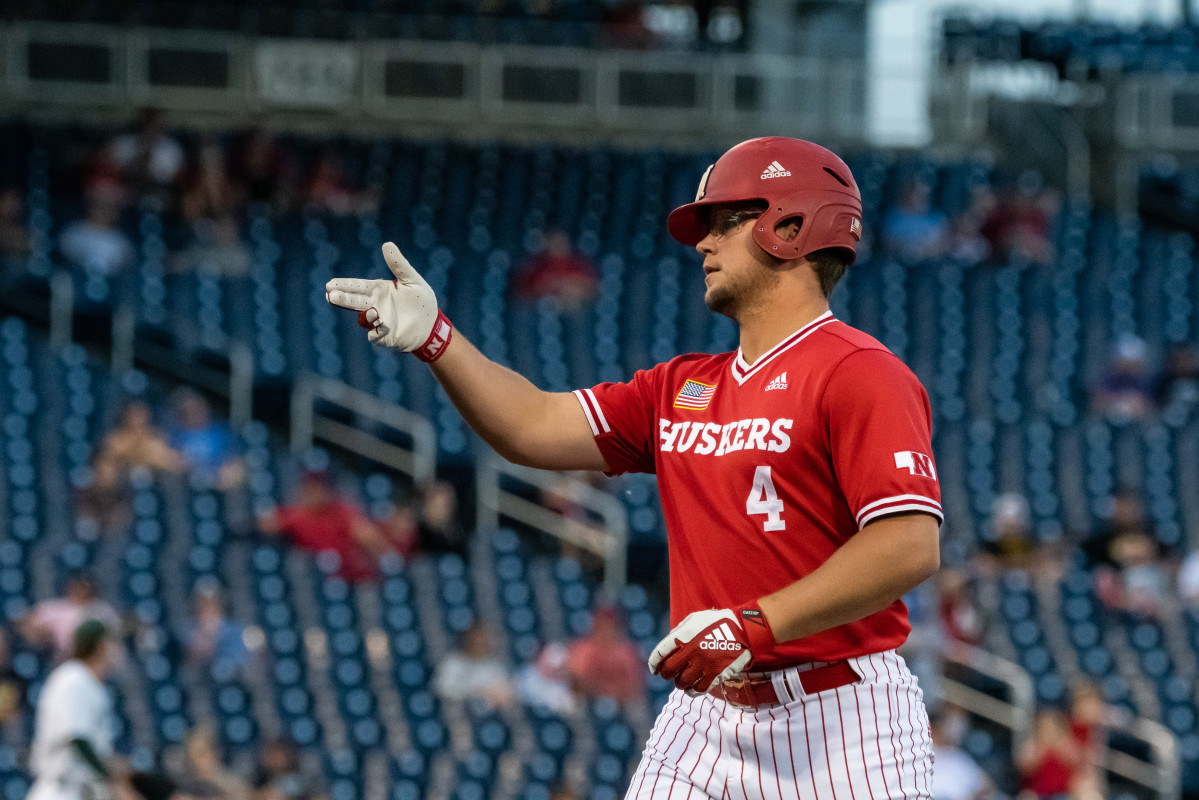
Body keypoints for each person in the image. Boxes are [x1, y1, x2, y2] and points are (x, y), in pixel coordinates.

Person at [327, 137, 942, 797]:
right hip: (709, 714)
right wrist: (436, 340)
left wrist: (753, 623)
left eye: (724, 222)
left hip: (842, 718)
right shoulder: (681, 386)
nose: (702, 243)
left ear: (790, 227)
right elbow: (531, 426)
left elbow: (908, 544)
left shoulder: (861, 372)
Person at [27, 621, 129, 800]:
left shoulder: (92, 684)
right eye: (114, 643)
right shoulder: (73, 679)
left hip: (82, 790)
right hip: (62, 790)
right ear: (101, 646)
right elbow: (78, 739)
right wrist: (111, 779)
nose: (118, 650)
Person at [21, 574, 122, 662]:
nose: (80, 590)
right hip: (59, 656)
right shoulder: (58, 606)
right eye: (77, 586)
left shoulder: (101, 610)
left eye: (83, 587)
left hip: (92, 657)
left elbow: (113, 635)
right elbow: (28, 620)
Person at [564, 607, 645, 705]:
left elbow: (634, 686)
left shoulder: (626, 654)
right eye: (602, 625)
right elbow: (577, 680)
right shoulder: (582, 650)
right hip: (587, 705)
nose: (606, 630)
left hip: (620, 707)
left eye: (610, 626)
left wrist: (611, 692)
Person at [430, 623, 514, 710]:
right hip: (458, 711)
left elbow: (506, 694)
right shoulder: (452, 662)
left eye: (484, 643)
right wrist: (476, 690)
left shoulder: (494, 665)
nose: (480, 645)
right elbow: (441, 688)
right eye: (476, 642)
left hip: (490, 713)